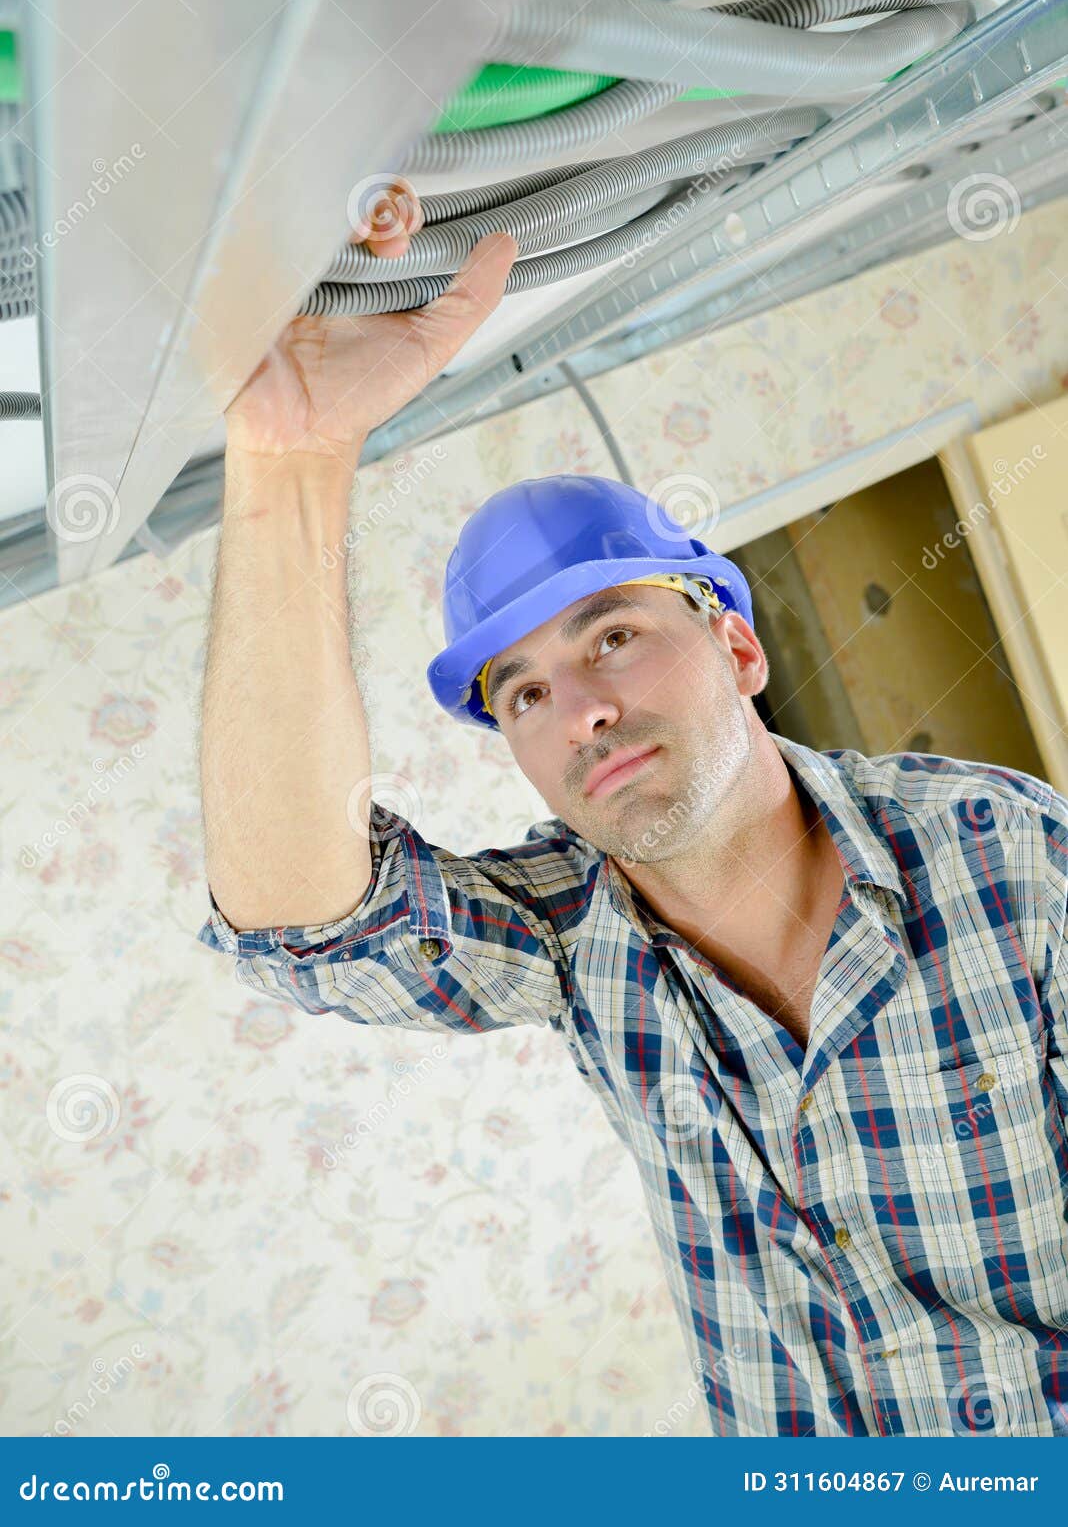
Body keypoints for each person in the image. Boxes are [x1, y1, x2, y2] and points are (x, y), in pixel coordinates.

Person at [198, 186, 1068, 1438]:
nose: (581, 712)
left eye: (612, 636)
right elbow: (302, 917)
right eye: (525, 693)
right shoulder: (569, 937)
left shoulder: (1008, 857)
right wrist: (290, 467)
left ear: (737, 644)